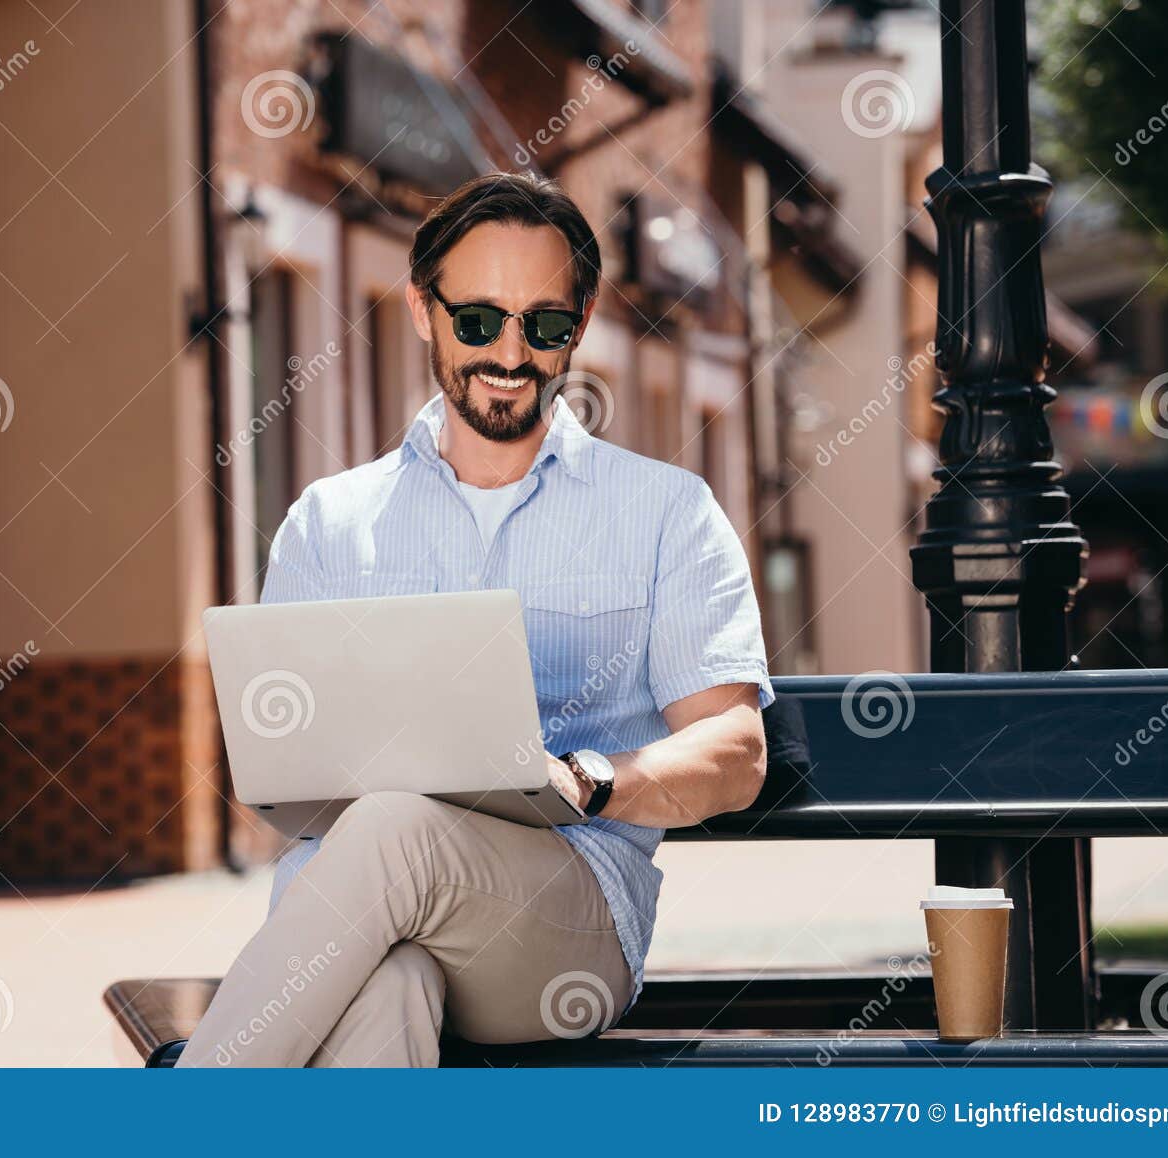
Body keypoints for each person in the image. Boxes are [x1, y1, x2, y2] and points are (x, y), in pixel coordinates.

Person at [178, 171, 772, 1068]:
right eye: (477, 318)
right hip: (364, 921)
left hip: (565, 932)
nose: (510, 351)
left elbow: (736, 751)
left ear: (579, 323)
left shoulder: (667, 512)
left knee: (393, 826)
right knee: (390, 986)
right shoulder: (330, 521)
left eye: (544, 323)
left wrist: (585, 779)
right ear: (423, 309)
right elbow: (278, 767)